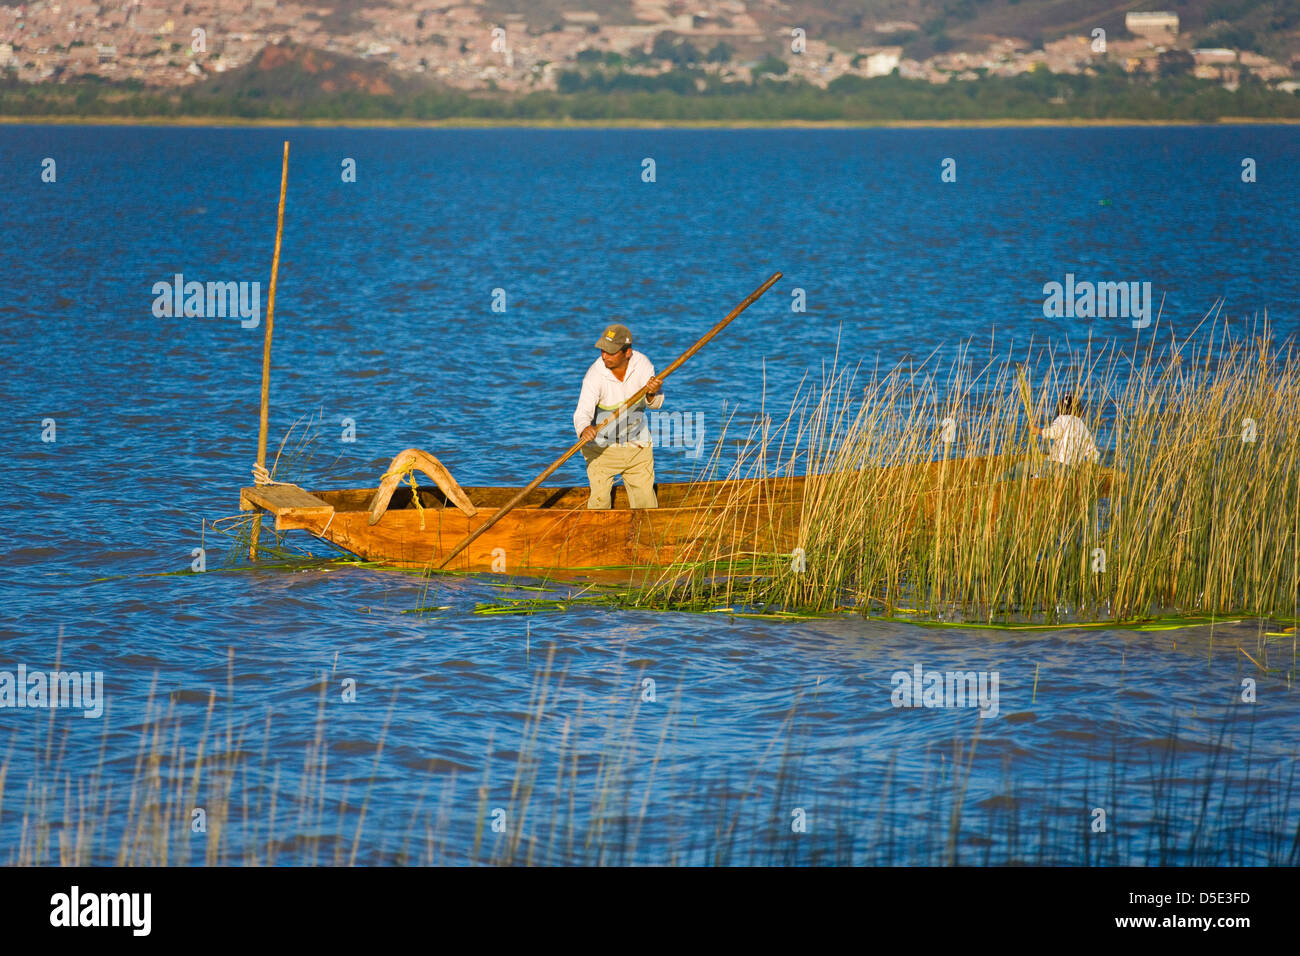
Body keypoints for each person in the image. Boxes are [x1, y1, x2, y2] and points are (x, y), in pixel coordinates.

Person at [572, 323, 664, 509]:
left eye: (611, 352)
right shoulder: (595, 375)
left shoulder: (643, 365)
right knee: (599, 504)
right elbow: (582, 412)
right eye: (603, 351)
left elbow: (655, 404)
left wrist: (652, 393)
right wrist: (584, 428)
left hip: (637, 445)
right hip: (601, 449)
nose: (605, 356)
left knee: (646, 504)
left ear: (627, 352)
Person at [1038, 394, 1100, 469]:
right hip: (1073, 469)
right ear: (1079, 411)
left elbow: (1053, 433)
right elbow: (1094, 453)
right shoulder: (1082, 426)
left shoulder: (1062, 419)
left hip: (1057, 465)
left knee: (1037, 469)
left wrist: (1036, 430)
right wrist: (1089, 467)